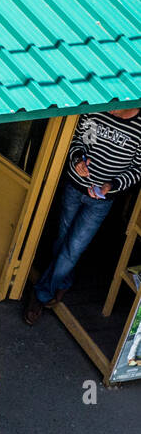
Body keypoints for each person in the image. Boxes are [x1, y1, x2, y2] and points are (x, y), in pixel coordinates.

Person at [24, 108, 141, 324]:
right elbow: (77, 140)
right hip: (74, 188)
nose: (111, 106)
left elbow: (137, 169)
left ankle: (40, 295)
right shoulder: (97, 110)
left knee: (74, 247)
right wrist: (77, 159)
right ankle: (64, 281)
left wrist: (111, 186)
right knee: (63, 239)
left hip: (101, 201)